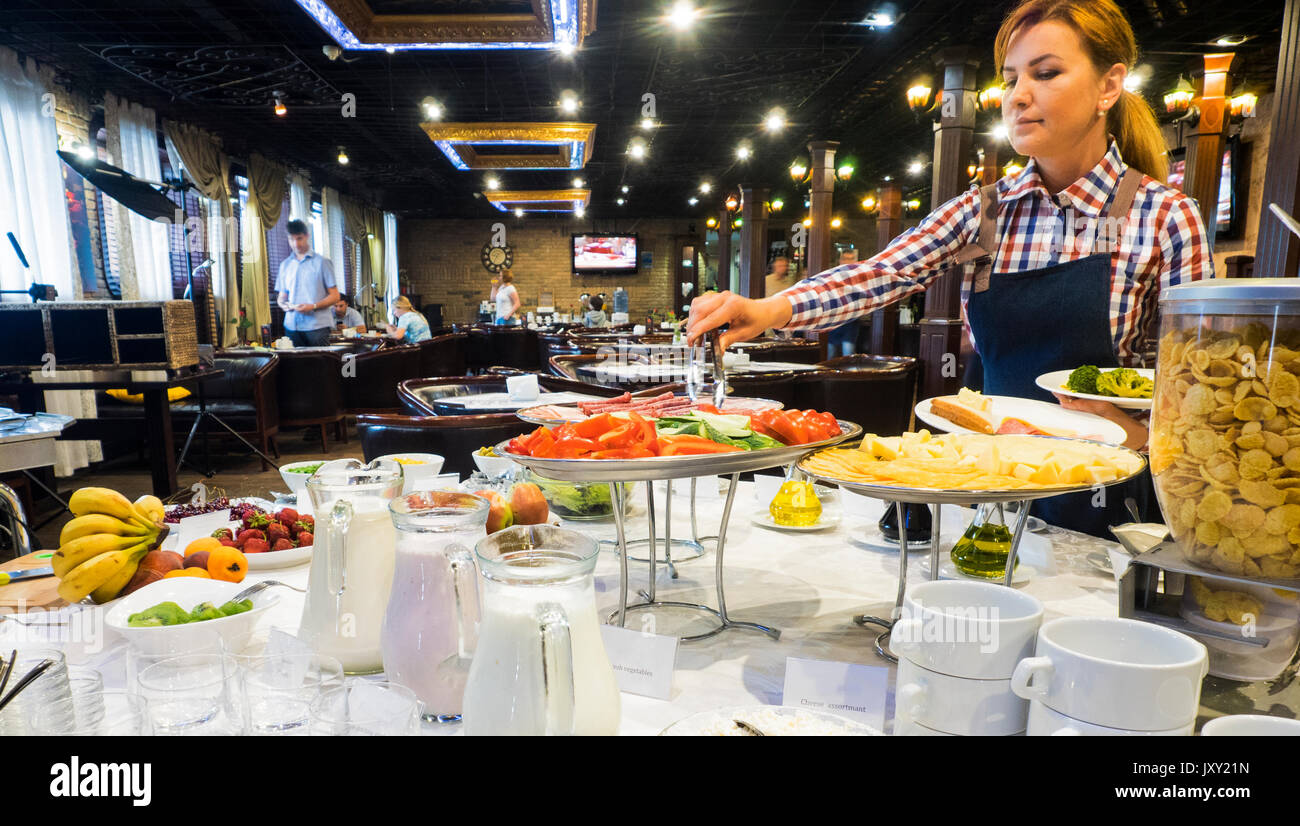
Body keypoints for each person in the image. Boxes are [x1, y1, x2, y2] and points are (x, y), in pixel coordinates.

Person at [686, 0, 1212, 538]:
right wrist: (769, 307)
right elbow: (883, 272)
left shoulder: (1166, 217)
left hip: (1103, 490)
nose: (1019, 96)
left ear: (1108, 87)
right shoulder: (984, 210)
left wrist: (1138, 432)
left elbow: (1197, 385)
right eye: (1010, 80)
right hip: (986, 484)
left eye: (1046, 73)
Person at [275, 219, 339, 347]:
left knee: (321, 366)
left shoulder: (322, 262)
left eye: (299, 238)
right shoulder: (285, 265)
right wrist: (282, 304)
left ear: (307, 236)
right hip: (292, 325)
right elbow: (282, 297)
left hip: (317, 326)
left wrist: (313, 306)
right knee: (297, 366)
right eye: (291, 240)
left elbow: (335, 296)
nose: (296, 244)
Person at [825, 249, 861, 358]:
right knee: (830, 353)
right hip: (835, 319)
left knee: (848, 352)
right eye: (845, 259)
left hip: (851, 320)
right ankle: (827, 375)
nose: (848, 262)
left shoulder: (859, 276)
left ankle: (849, 375)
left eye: (851, 259)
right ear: (840, 261)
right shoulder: (832, 275)